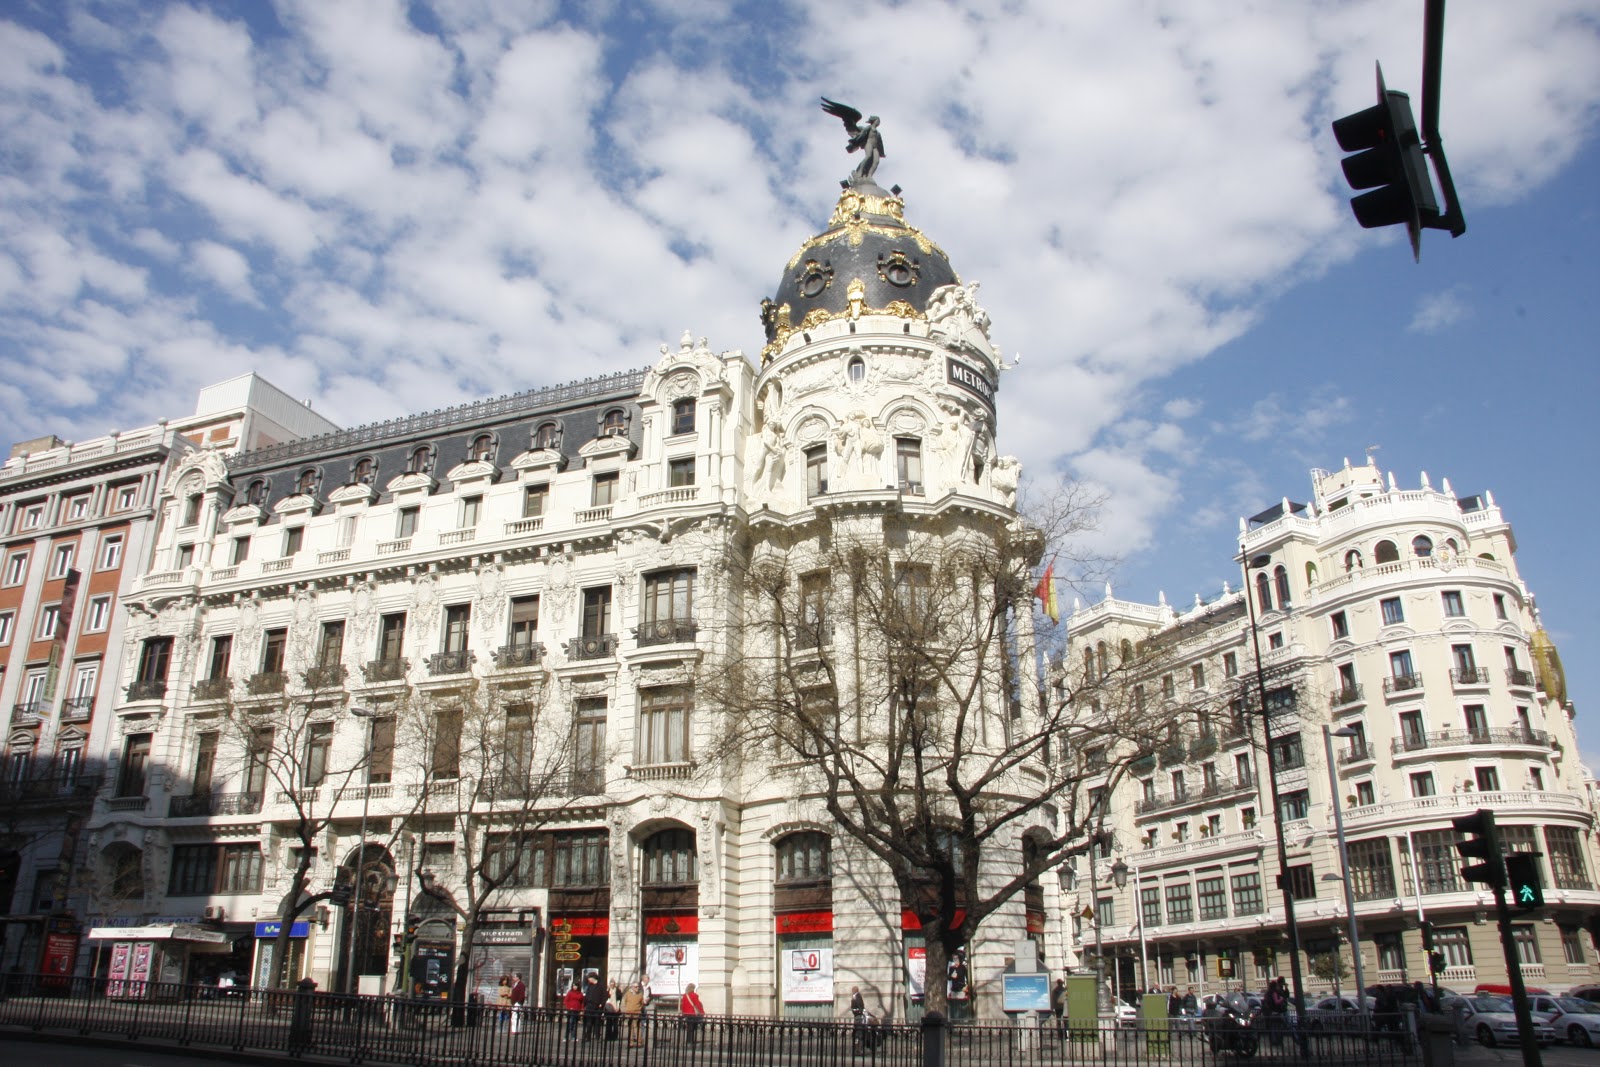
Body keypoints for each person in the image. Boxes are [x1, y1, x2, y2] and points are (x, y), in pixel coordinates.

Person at [582, 973, 607, 1041]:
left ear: (593, 978)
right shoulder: (590, 986)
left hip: (597, 1007)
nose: (588, 979)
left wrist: (601, 1003)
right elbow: (587, 996)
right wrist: (585, 1005)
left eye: (589, 978)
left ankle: (597, 1036)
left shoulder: (600, 986)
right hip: (589, 1006)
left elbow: (604, 996)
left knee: (597, 1022)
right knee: (588, 1023)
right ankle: (588, 1036)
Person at [622, 982, 646, 1047]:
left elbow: (642, 1003)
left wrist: (639, 1009)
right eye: (636, 987)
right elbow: (624, 1002)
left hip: (637, 1012)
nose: (637, 988)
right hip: (629, 1012)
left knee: (637, 1027)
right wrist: (625, 1010)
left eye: (638, 987)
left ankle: (639, 1042)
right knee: (631, 1028)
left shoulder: (640, 994)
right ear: (632, 987)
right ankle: (631, 1042)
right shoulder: (628, 994)